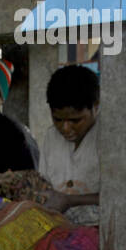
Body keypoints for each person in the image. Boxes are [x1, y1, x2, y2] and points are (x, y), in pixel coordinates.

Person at [36, 64, 100, 226]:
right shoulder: (51, 137)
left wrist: (70, 200)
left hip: (100, 227)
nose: (65, 128)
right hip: (60, 226)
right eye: (58, 119)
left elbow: (121, 196)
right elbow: (45, 184)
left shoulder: (110, 138)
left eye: (75, 120)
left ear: (96, 106)